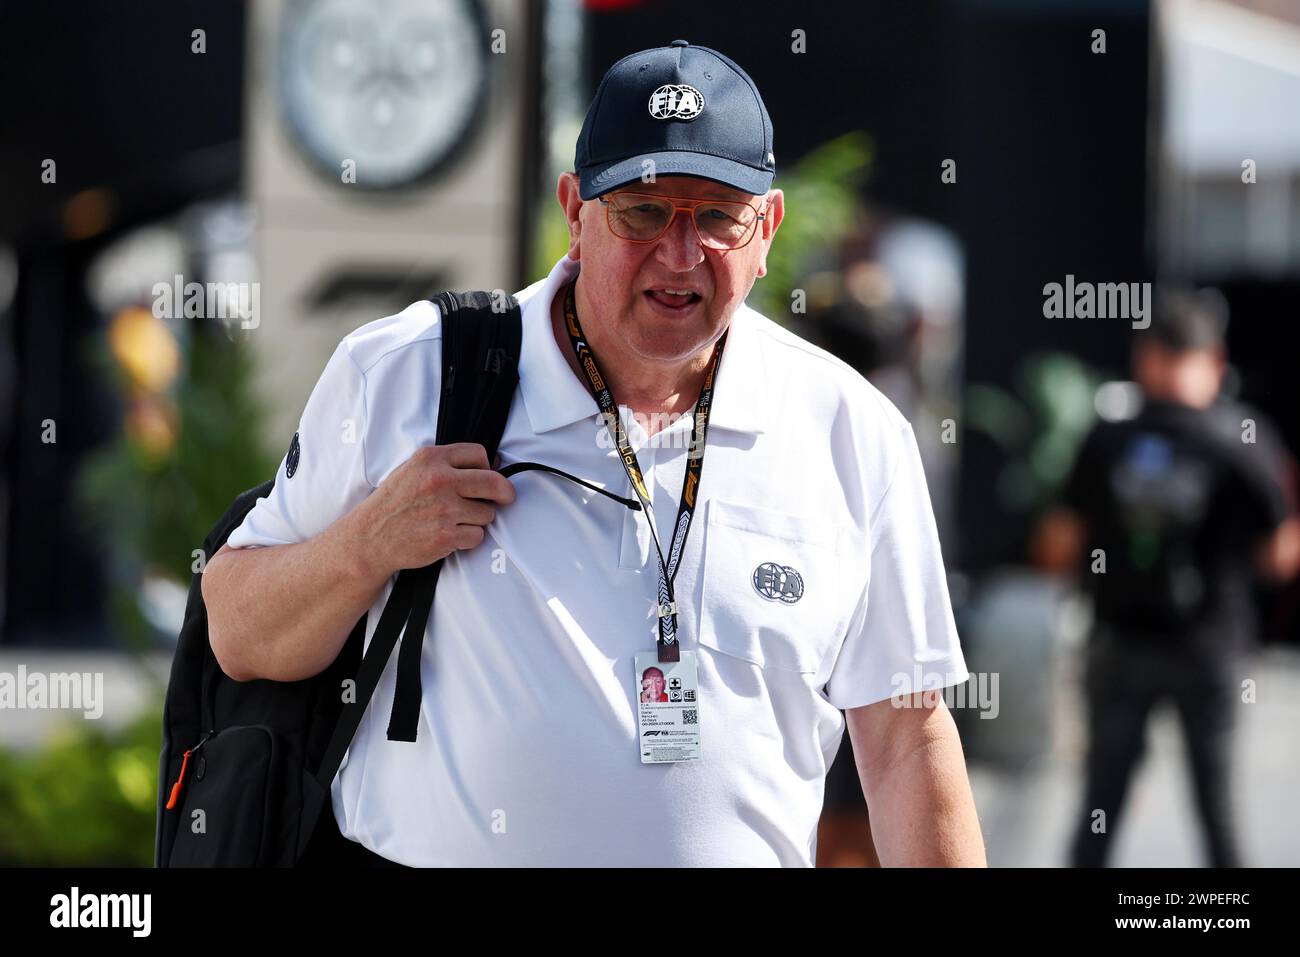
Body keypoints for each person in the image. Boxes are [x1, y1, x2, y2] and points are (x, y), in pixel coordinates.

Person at [203, 40, 984, 867]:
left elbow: (906, 737)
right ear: (576, 211)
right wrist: (365, 544)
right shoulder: (408, 374)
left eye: (718, 215)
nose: (682, 254)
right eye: (643, 211)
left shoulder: (851, 430)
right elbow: (240, 632)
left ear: (768, 230)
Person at [1034, 287, 1300, 867]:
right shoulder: (1242, 440)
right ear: (1214, 361)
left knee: (1099, 809)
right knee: (1217, 811)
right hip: (1210, 645)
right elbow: (1281, 556)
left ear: (1145, 358)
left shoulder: (1106, 436)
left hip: (1119, 644)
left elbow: (1058, 544)